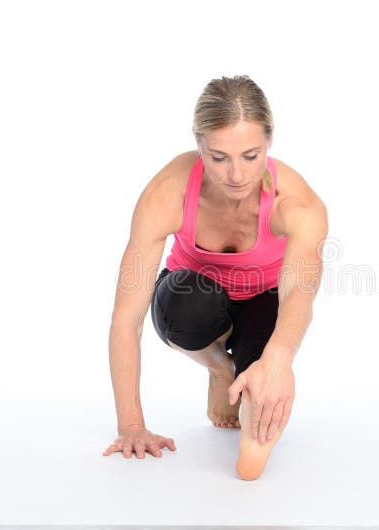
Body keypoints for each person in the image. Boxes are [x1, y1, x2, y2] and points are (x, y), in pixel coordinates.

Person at [101, 75, 328, 480]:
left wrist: (277, 361)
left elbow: (299, 295)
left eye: (251, 155)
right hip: (191, 295)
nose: (237, 174)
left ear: (270, 142)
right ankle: (220, 368)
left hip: (264, 298)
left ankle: (242, 372)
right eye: (219, 157)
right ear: (199, 144)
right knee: (188, 303)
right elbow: (127, 316)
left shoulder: (297, 204)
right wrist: (131, 426)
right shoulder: (167, 192)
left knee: (252, 457)